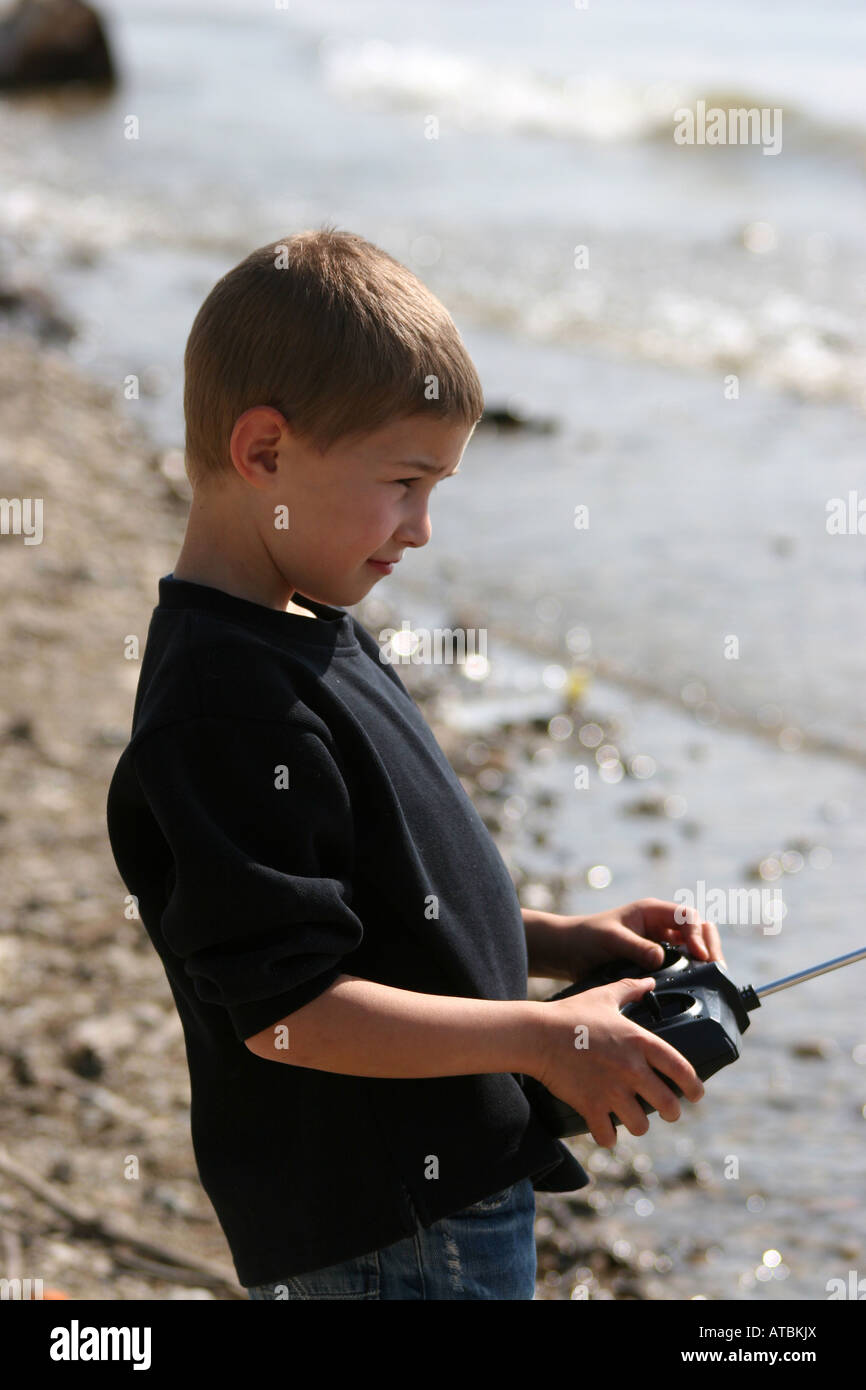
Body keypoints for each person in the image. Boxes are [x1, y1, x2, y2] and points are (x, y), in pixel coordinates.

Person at [106, 226, 721, 1301]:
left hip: (439, 1198)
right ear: (265, 454)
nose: (422, 528)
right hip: (386, 1229)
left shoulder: (305, 618)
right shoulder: (224, 708)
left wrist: (553, 941)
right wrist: (541, 1035)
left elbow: (374, 897)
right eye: (402, 482)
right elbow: (291, 1009)